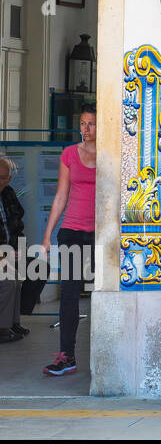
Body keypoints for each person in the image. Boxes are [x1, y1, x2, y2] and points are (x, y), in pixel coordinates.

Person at [38, 103, 96, 377]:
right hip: (72, 230)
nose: (86, 129)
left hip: (101, 233)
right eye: (83, 123)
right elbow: (61, 196)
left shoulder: (112, 155)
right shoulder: (70, 154)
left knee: (104, 292)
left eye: (91, 124)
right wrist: (48, 235)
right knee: (70, 294)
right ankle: (67, 355)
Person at [0, 155, 27, 343]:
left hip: (9, 252)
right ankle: (3, 328)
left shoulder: (8, 193)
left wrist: (18, 249)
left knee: (38, 271)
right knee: (9, 280)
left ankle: (13, 321)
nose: (0, 181)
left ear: (9, 178)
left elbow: (17, 223)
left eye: (3, 177)